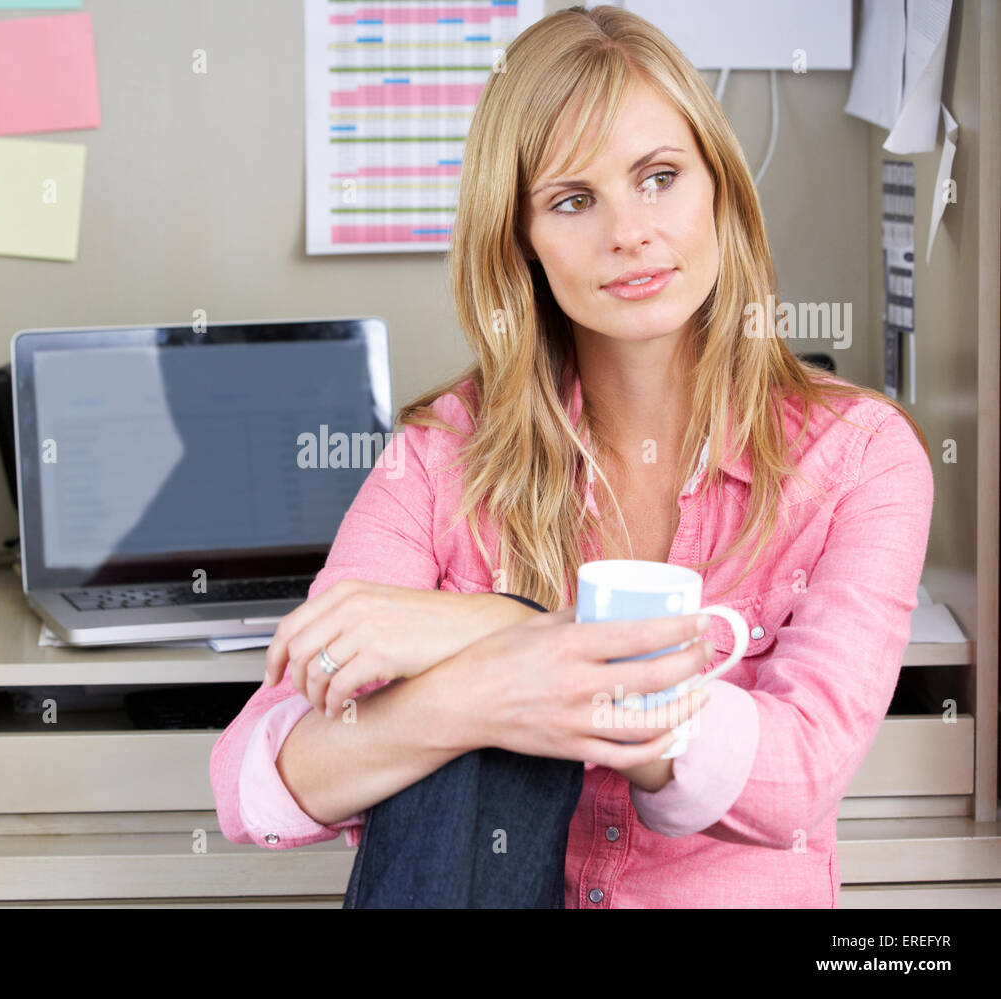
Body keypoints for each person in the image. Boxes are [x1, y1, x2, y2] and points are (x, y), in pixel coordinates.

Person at [208, 4, 934, 908]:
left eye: (660, 177)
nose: (627, 231)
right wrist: (479, 684)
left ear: (720, 188)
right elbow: (253, 781)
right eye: (573, 199)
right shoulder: (438, 455)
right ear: (520, 240)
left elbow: (800, 774)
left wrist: (494, 635)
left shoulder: (862, 457)